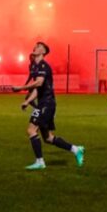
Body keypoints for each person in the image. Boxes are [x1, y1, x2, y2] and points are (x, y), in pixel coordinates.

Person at [21, 41, 83, 170]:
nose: (36, 47)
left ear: (43, 52)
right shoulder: (36, 66)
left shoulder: (43, 66)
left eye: (39, 47)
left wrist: (21, 88)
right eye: (36, 46)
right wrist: (27, 101)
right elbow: (38, 89)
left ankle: (40, 162)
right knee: (48, 138)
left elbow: (38, 83)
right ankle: (76, 149)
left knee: (31, 130)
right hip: (45, 103)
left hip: (46, 103)